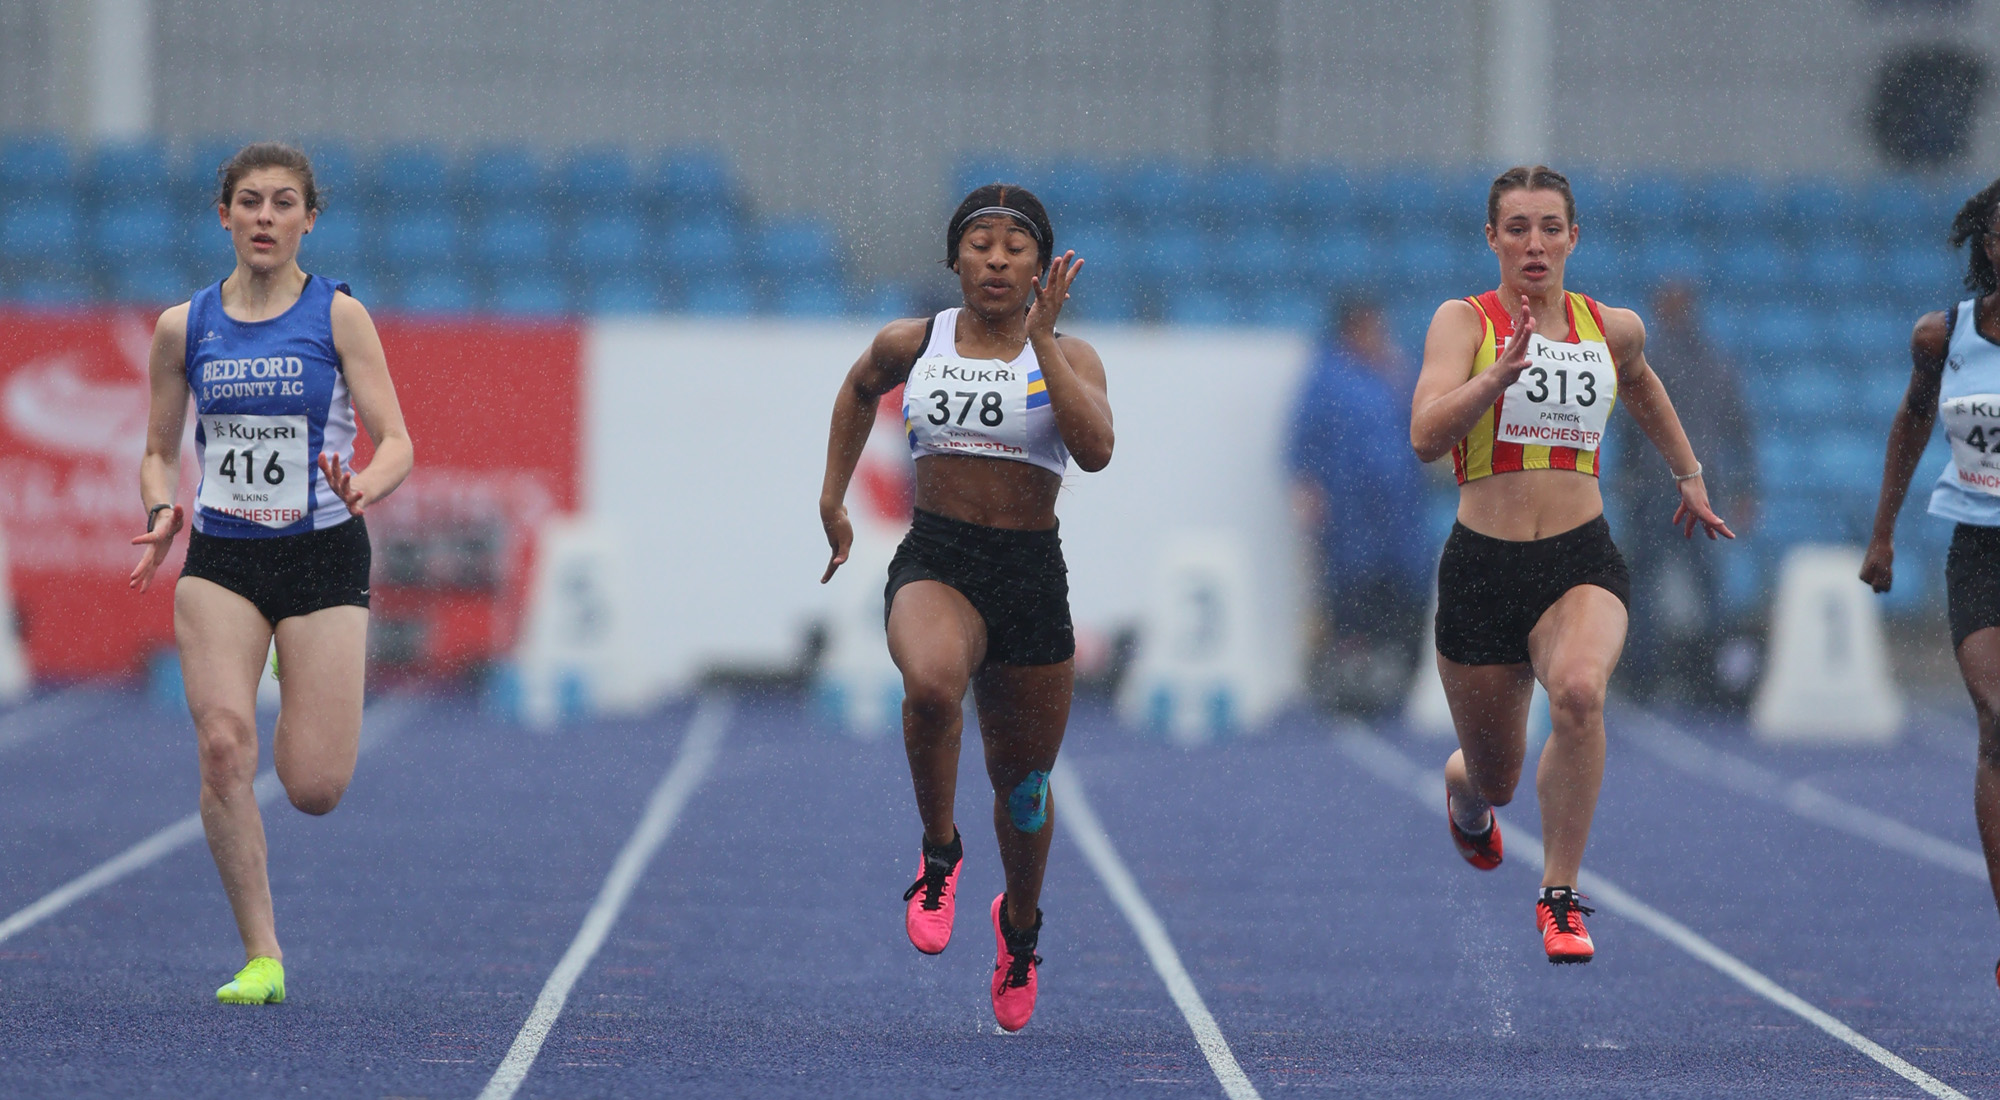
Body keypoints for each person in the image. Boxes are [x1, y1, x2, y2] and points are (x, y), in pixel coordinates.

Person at [1408, 165, 1731, 964]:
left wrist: (1687, 476)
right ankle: (1464, 790)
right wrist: (1495, 376)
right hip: (1482, 568)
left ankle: (1558, 896)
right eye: (1516, 228)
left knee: (1581, 693)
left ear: (1573, 238)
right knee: (1499, 778)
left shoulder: (1610, 326)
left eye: (1550, 227)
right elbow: (1424, 436)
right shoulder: (1463, 322)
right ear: (1492, 239)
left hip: (1579, 558)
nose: (1534, 244)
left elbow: (1644, 386)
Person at [818, 184, 1110, 1031]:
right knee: (934, 686)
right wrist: (833, 499)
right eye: (978, 244)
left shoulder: (1074, 357)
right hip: (939, 556)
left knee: (1025, 790)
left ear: (1042, 267)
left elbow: (1094, 453)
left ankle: (1019, 929)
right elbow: (854, 389)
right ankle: (940, 852)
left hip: (1028, 573)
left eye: (1014, 248)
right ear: (954, 260)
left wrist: (1044, 344)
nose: (994, 259)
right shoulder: (916, 342)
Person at [129, 142, 414, 1004]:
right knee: (223, 744)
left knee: (315, 789)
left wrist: (365, 481)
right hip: (221, 556)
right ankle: (263, 955)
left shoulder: (339, 317)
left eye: (283, 203)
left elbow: (397, 439)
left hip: (323, 551)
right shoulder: (184, 327)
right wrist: (158, 511)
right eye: (249, 201)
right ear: (224, 216)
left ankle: (295, 655)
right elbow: (155, 450)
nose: (265, 217)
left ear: (308, 219)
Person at [1860, 175, 2000, 988]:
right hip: (1980, 547)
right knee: (1996, 716)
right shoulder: (1942, 337)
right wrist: (1882, 535)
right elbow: (1912, 423)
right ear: (1989, 244)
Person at [1610, 281, 1760, 707]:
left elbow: (1630, 430)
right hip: (1696, 492)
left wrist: (1628, 481)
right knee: (1700, 591)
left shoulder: (1649, 362)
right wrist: (1747, 486)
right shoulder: (1717, 363)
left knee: (1648, 591)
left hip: (1661, 493)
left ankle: (1648, 680)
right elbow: (1741, 432)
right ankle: (1712, 680)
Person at [1286, 295, 1432, 717]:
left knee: (1403, 598)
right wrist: (1308, 490)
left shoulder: (1396, 372)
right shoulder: (1326, 376)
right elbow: (1303, 442)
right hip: (1351, 514)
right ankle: (1348, 690)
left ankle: (1395, 687)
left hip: (1400, 514)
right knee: (1350, 599)